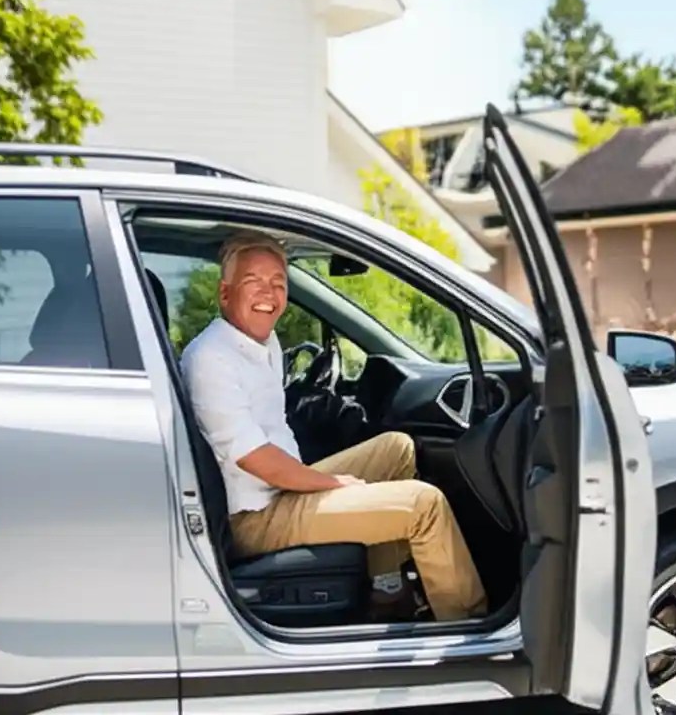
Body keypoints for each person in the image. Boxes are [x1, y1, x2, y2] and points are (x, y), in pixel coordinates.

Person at [179, 229, 488, 622]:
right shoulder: (211, 358)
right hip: (255, 516)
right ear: (225, 294)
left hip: (279, 491)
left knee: (397, 448)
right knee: (424, 505)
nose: (269, 294)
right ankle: (470, 630)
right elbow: (254, 458)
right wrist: (330, 484)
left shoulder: (262, 343)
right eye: (254, 282)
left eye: (278, 283)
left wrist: (315, 481)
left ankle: (386, 593)